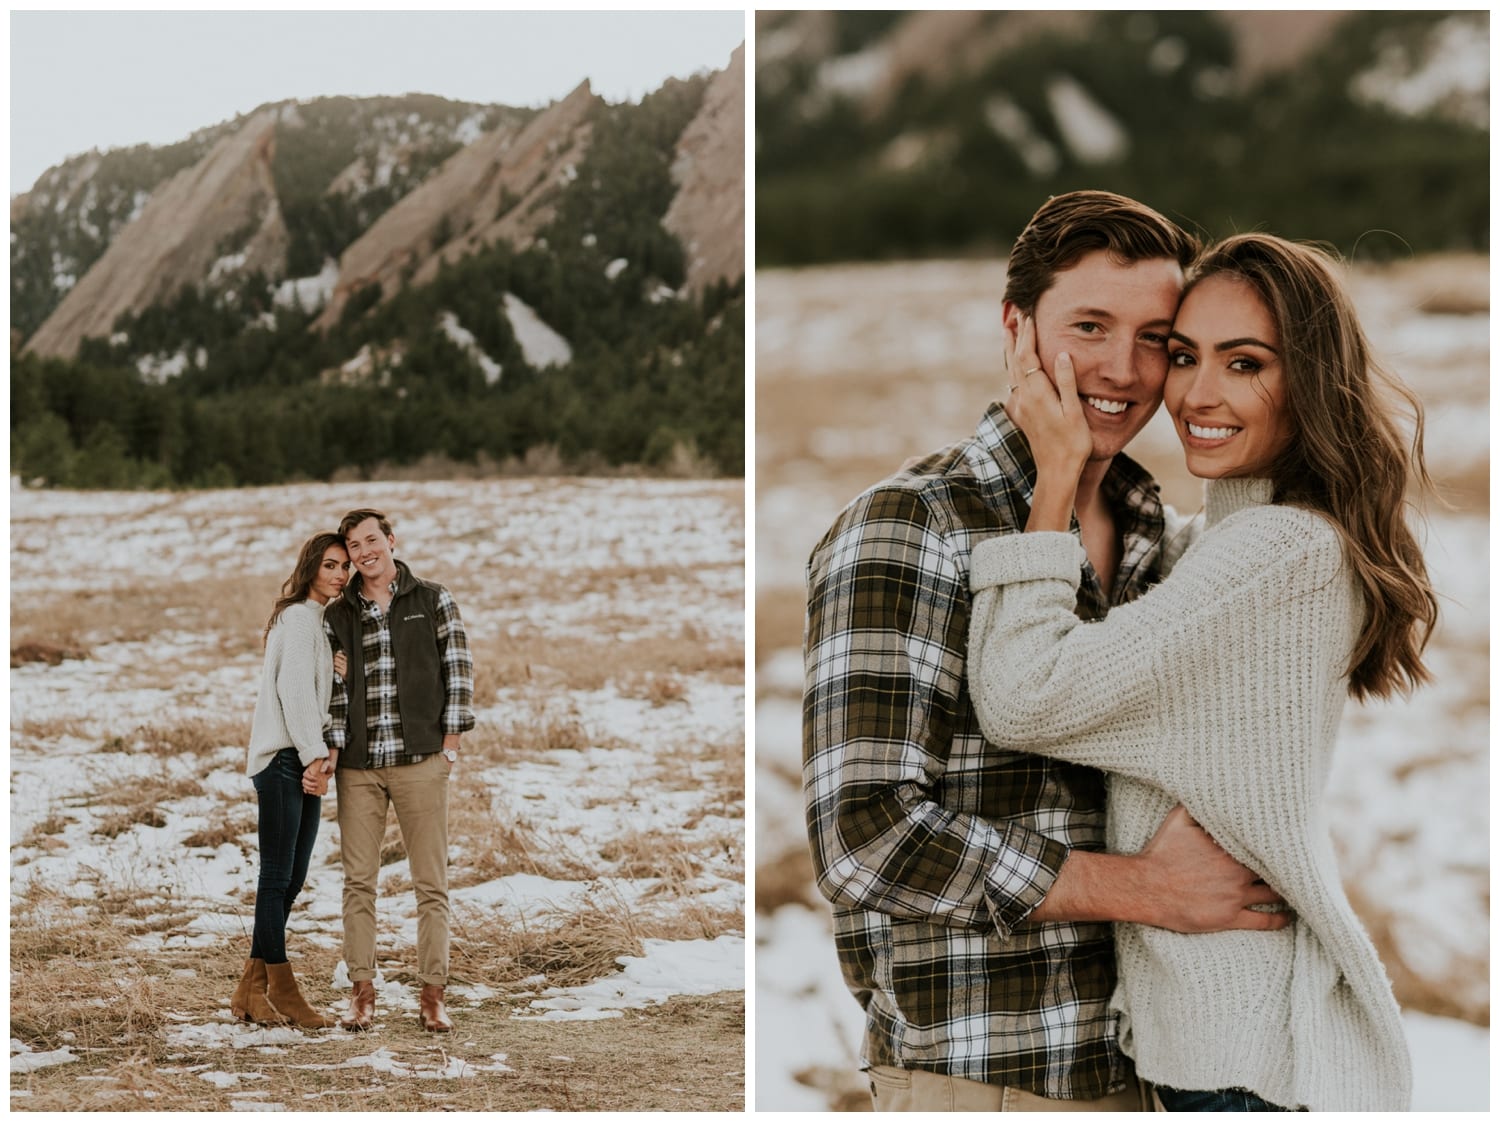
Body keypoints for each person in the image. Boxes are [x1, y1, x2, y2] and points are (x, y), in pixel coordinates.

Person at [803, 191, 1289, 1113]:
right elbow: (862, 839)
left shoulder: (1162, 539)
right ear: (1016, 328)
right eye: (1090, 327)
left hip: (1161, 1068)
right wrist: (1146, 890)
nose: (1123, 369)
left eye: (1157, 339)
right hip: (989, 1076)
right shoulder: (909, 527)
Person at [966, 232, 1434, 1110]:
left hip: (1236, 1063)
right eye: (1183, 356)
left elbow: (1022, 696)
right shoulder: (1248, 539)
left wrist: (1058, 474)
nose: (1195, 393)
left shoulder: (1274, 554)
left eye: (1245, 362)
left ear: (1312, 381)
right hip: (1227, 1045)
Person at [324, 508, 474, 1033]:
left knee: (430, 883)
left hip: (421, 763)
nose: (364, 552)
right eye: (354, 545)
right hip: (360, 769)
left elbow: (458, 668)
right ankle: (362, 992)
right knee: (358, 883)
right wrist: (334, 752)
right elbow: (333, 691)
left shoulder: (431, 598)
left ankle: (432, 994)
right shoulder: (339, 613)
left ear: (391, 541)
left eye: (372, 540)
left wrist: (450, 743)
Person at [231, 532, 349, 1030]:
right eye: (330, 565)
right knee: (277, 877)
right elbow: (295, 693)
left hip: (296, 755)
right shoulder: (301, 618)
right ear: (310, 568)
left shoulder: (317, 622)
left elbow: (314, 688)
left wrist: (337, 672)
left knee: (291, 879)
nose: (340, 574)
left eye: (344, 566)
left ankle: (250, 990)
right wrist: (315, 757)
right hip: (286, 758)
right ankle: (283, 988)